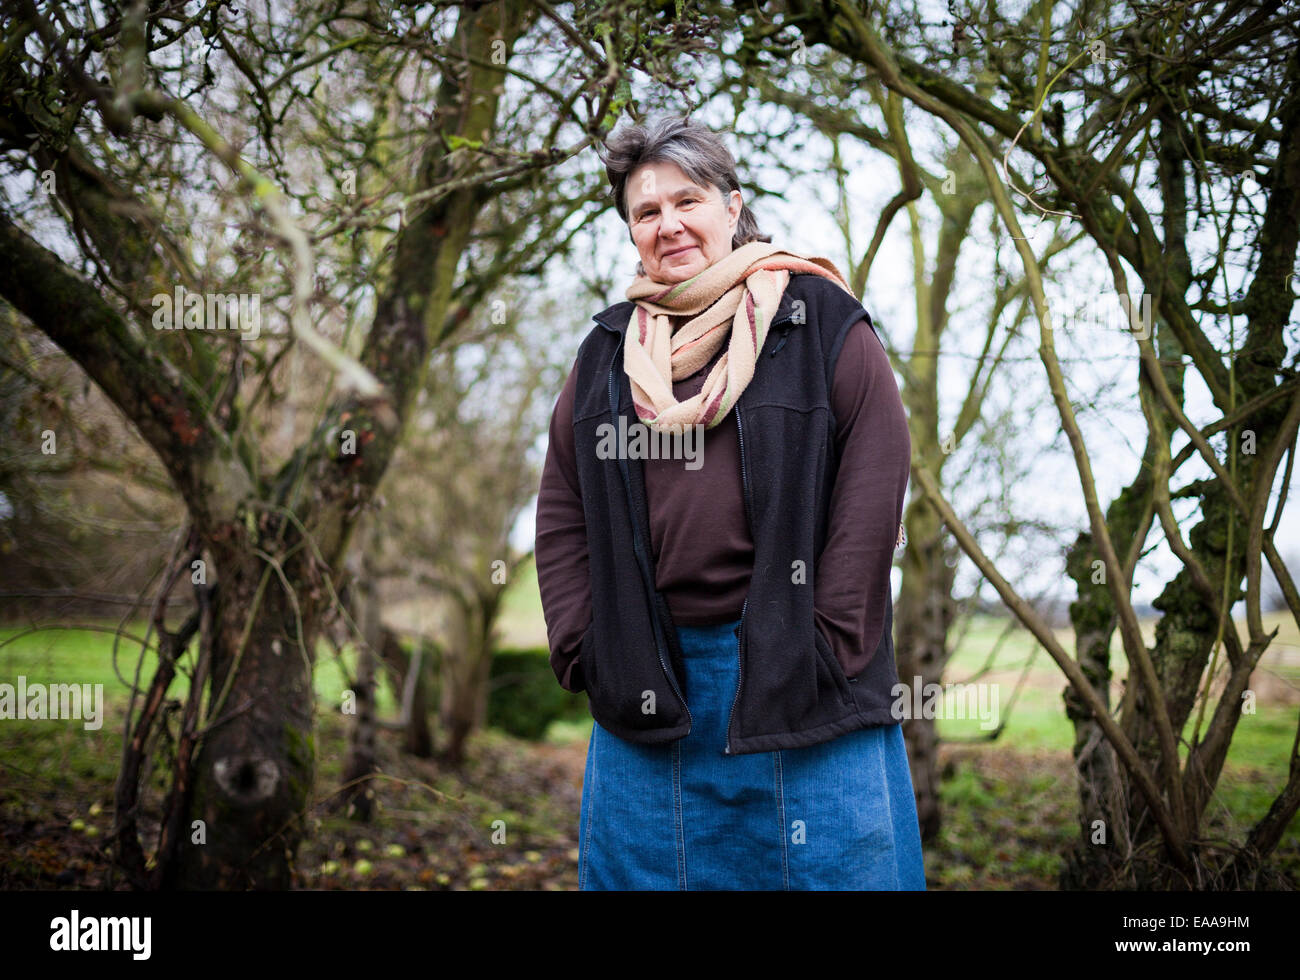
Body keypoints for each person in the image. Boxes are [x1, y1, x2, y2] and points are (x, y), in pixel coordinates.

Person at [534, 115, 923, 890]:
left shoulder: (819, 324)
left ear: (732, 205)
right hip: (649, 682)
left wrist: (828, 639)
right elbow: (564, 508)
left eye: (688, 201)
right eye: (646, 212)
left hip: (805, 681)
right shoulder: (607, 356)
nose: (668, 224)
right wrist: (586, 646)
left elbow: (875, 478)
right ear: (631, 232)